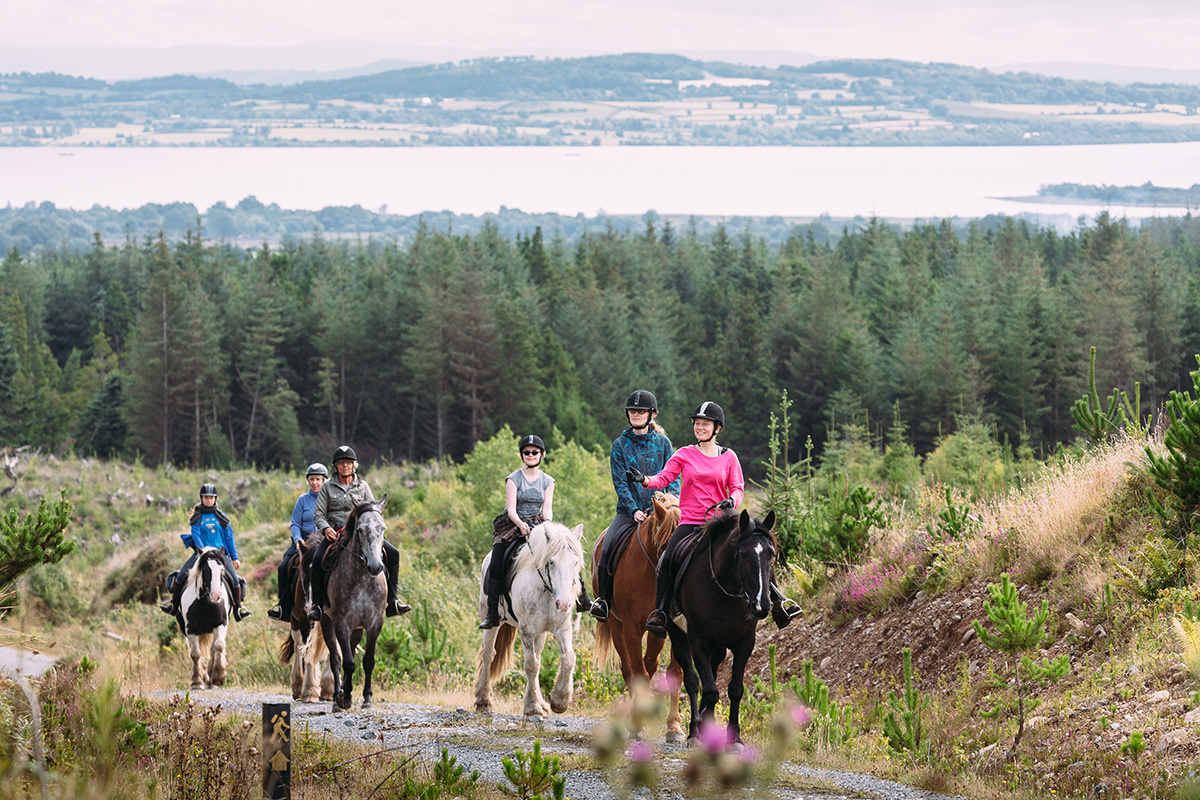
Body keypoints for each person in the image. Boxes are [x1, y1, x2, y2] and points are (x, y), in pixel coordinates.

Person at [629, 401, 801, 639]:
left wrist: (732, 500)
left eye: (705, 424)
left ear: (717, 428)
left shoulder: (729, 457)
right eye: (697, 423)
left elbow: (738, 488)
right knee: (666, 561)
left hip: (722, 523)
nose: (700, 427)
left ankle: (778, 603)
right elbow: (664, 478)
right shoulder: (684, 454)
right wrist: (645, 480)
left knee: (754, 552)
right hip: (690, 522)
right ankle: (661, 613)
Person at [589, 390, 679, 622]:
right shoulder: (620, 445)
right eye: (633, 411)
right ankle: (603, 601)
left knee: (682, 547)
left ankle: (680, 602)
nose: (636, 414)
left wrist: (667, 506)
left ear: (651, 414)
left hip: (662, 513)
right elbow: (620, 482)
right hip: (630, 513)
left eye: (641, 411)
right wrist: (634, 510)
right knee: (607, 548)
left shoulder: (664, 443)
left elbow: (674, 477)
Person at [306, 445, 411, 621]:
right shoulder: (327, 487)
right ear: (336, 466)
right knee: (317, 559)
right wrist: (326, 529)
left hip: (361, 532)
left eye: (348, 462)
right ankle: (317, 605)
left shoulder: (363, 486)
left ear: (354, 465)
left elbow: (373, 510)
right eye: (341, 463)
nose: (345, 466)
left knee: (393, 553)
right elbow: (319, 514)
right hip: (336, 532)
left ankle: (392, 601)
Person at [480, 434, 569, 629]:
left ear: (541, 455)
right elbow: (511, 508)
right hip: (512, 524)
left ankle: (582, 599)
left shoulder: (548, 481)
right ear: (522, 455)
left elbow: (547, 510)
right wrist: (520, 524)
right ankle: (493, 613)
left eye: (534, 452)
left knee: (564, 553)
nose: (530, 455)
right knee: (495, 563)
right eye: (526, 452)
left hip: (538, 524)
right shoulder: (513, 478)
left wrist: (547, 525)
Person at [160, 483, 251, 621]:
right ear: (201, 498)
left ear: (215, 499)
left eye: (211, 498)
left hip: (220, 555)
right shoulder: (197, 517)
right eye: (206, 497)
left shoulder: (222, 517)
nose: (208, 500)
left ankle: (238, 609)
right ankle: (174, 605)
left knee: (235, 581)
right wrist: (203, 551)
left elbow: (229, 537)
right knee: (180, 577)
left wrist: (235, 557)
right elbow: (196, 536)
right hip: (201, 554)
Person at [267, 463, 328, 621]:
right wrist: (297, 539)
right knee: (283, 568)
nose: (315, 482)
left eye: (318, 479)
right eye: (312, 479)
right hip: (303, 545)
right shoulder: (302, 500)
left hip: (323, 544)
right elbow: (295, 523)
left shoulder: (329, 500)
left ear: (324, 481)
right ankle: (284, 607)